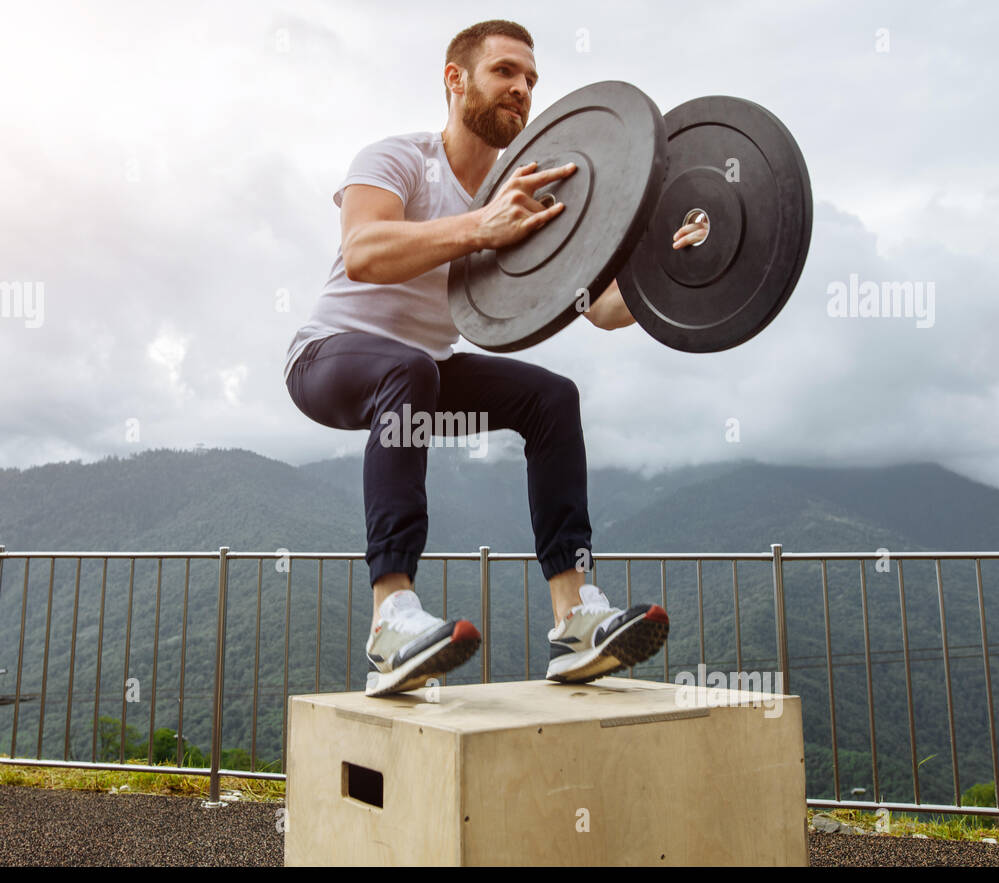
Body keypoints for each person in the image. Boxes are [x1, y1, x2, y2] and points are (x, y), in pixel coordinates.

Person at [283, 20, 707, 697]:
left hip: (419, 379)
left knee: (551, 397)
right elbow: (363, 252)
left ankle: (574, 622)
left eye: (531, 80)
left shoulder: (527, 194)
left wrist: (669, 268)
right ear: (455, 80)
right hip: (328, 361)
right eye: (505, 72)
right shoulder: (398, 158)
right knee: (409, 369)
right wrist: (481, 227)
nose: (522, 89)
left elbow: (598, 309)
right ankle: (391, 621)